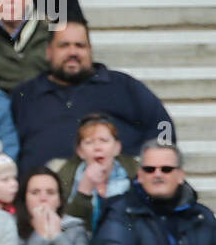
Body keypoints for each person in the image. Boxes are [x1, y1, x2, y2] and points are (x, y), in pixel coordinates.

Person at [9, 22, 174, 173]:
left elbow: (163, 124)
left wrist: (157, 162)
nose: (73, 52)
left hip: (119, 194)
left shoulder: (123, 86)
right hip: (44, 197)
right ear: (49, 52)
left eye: (80, 45)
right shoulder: (25, 95)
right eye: (64, 45)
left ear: (90, 50)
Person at [93, 143, 216, 245]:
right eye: (149, 169)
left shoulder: (202, 217)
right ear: (140, 175)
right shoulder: (118, 213)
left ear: (180, 175)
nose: (157, 174)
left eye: (166, 169)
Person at [55, 113, 137, 235]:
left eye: (104, 141)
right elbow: (67, 227)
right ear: (80, 151)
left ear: (117, 148)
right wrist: (84, 191)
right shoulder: (65, 177)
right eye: (89, 142)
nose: (97, 147)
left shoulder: (136, 172)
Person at [17, 166, 91, 245]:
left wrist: (57, 236)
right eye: (35, 192)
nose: (43, 198)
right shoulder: (11, 227)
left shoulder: (75, 228)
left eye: (50, 192)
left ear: (59, 200)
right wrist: (40, 235)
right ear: (25, 199)